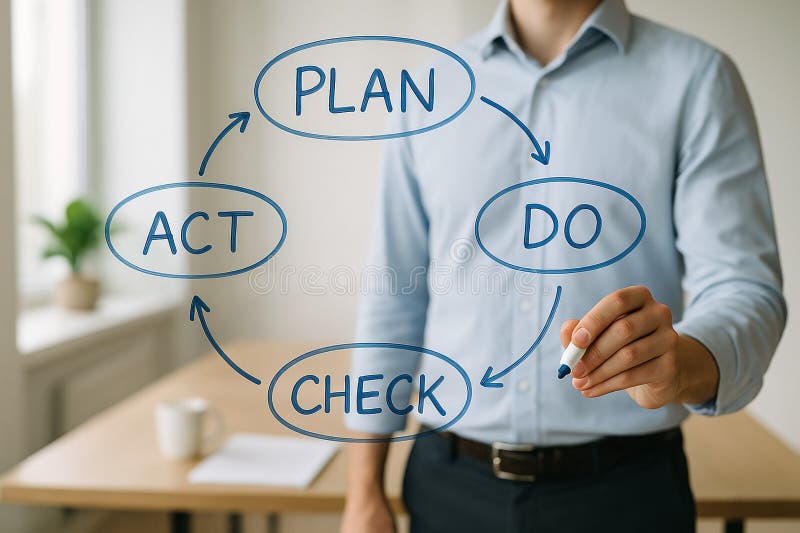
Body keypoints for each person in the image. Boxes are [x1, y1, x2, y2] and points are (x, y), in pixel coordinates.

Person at [340, 0, 786, 532]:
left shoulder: (697, 79)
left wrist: (679, 365)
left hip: (626, 497)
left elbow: (744, 286)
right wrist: (362, 489)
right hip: (447, 488)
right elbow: (394, 294)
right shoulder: (427, 87)